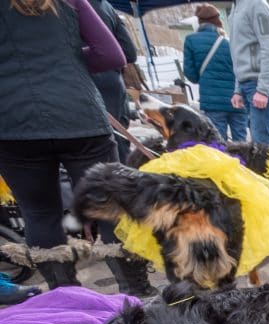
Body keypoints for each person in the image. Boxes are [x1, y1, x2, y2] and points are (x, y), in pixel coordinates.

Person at [0, 0, 154, 295]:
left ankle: (66, 295)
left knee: (39, 213)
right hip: (79, 114)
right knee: (110, 207)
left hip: (13, 125)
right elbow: (112, 54)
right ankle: (137, 293)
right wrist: (68, 61)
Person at [183, 4, 247, 141]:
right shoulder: (229, 42)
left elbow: (190, 74)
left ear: (199, 21)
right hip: (237, 100)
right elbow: (241, 70)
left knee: (218, 143)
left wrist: (205, 78)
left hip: (212, 102)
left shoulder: (191, 40)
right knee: (242, 143)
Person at [88, 0, 136, 163]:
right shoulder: (107, 7)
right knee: (120, 140)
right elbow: (130, 53)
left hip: (84, 86)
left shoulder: (62, 7)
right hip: (113, 83)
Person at [229, 0, 269, 145]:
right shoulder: (235, 7)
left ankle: (266, 168)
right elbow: (238, 53)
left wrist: (263, 89)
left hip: (258, 83)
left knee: (260, 142)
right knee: (267, 135)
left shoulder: (257, 4)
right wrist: (238, 89)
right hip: (247, 84)